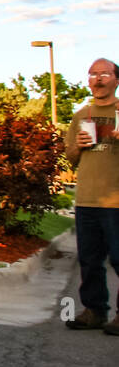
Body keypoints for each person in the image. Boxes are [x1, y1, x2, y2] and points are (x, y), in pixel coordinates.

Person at [63, 57, 119, 333]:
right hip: (87, 199)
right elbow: (70, 158)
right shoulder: (81, 115)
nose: (98, 79)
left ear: (116, 79)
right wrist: (78, 146)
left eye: (104, 74)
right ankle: (94, 311)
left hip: (117, 201)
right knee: (89, 259)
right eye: (93, 74)